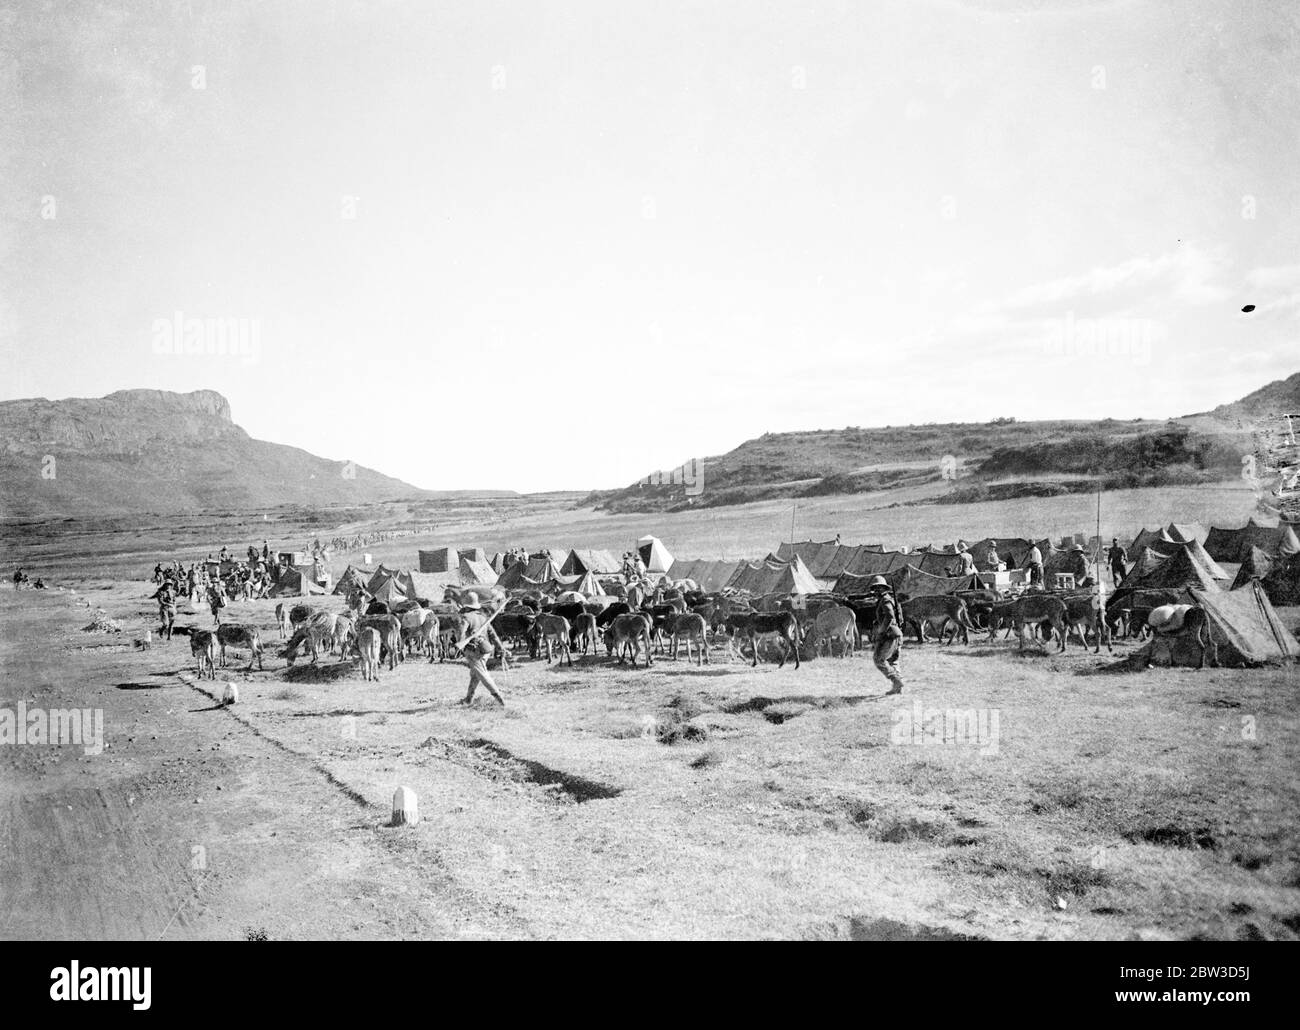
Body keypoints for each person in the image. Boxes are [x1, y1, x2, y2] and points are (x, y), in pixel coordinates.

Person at [455, 611, 508, 706]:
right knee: (475, 674)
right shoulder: (483, 617)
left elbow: (461, 633)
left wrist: (461, 644)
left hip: (473, 651)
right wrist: (500, 647)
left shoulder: (466, 617)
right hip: (485, 650)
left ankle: (500, 699)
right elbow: (493, 635)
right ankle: (468, 699)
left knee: (482, 674)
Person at [868, 576, 905, 695]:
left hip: (890, 635)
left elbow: (890, 616)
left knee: (879, 659)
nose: (876, 591)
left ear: (883, 588)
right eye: (875, 588)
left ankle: (896, 681)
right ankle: (897, 688)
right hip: (896, 634)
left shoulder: (885, 600)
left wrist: (881, 631)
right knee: (893, 661)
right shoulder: (886, 599)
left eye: (879, 588)